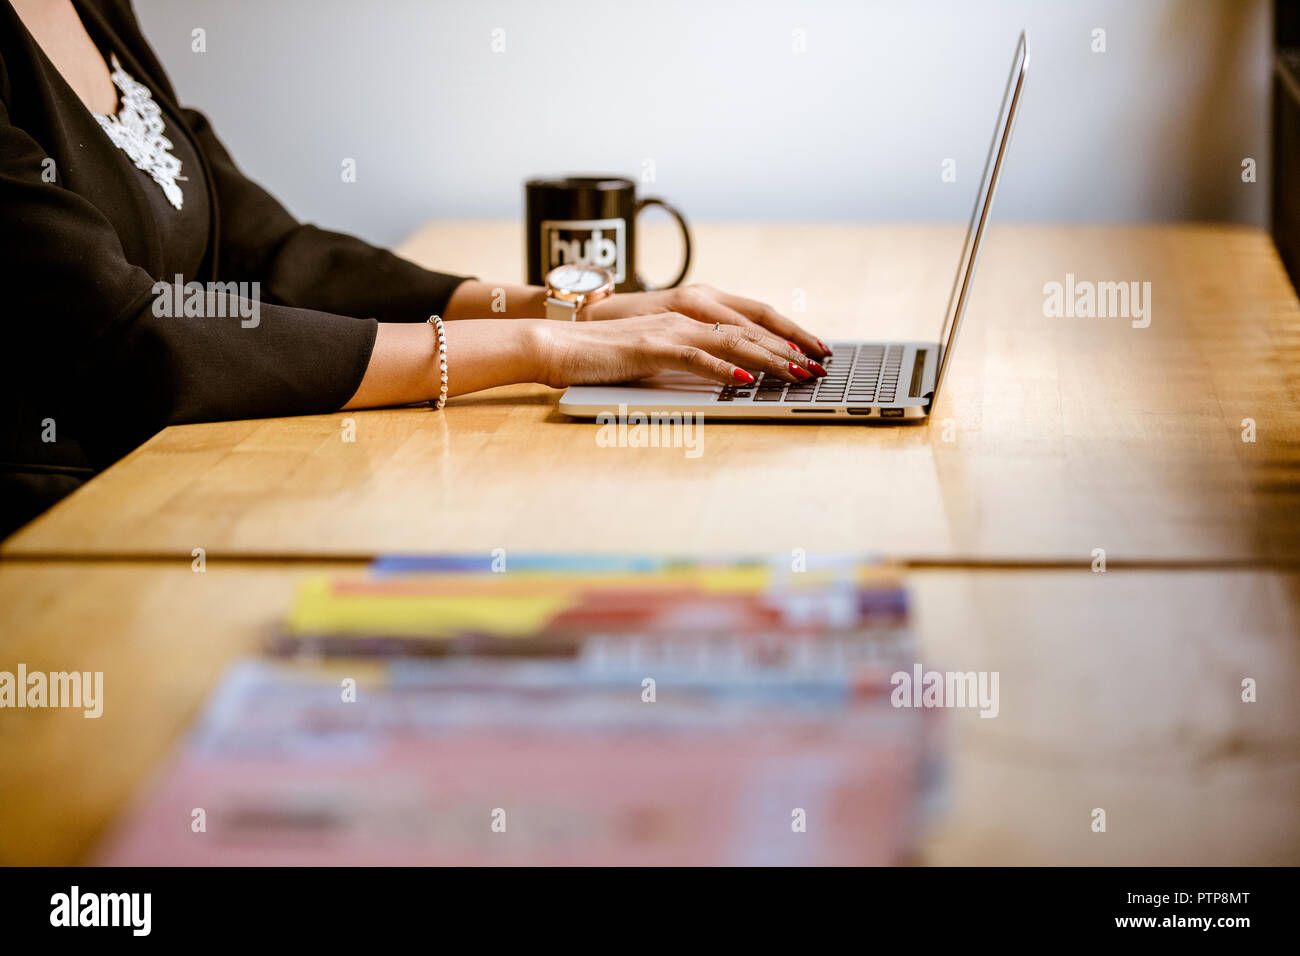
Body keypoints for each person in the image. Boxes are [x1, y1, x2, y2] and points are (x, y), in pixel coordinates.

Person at [0, 0, 831, 536]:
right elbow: (129, 337)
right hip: (60, 535)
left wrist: (568, 311)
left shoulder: (92, 6)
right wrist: (535, 352)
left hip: (169, 495)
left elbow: (270, 253)